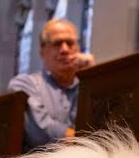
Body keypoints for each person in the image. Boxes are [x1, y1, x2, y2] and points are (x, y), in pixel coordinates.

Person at [7, 18, 96, 151]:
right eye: (57, 43)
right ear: (42, 52)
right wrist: (88, 143)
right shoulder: (24, 84)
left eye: (70, 43)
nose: (65, 50)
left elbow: (103, 123)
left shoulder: (87, 87)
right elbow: (40, 134)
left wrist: (92, 76)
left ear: (78, 48)